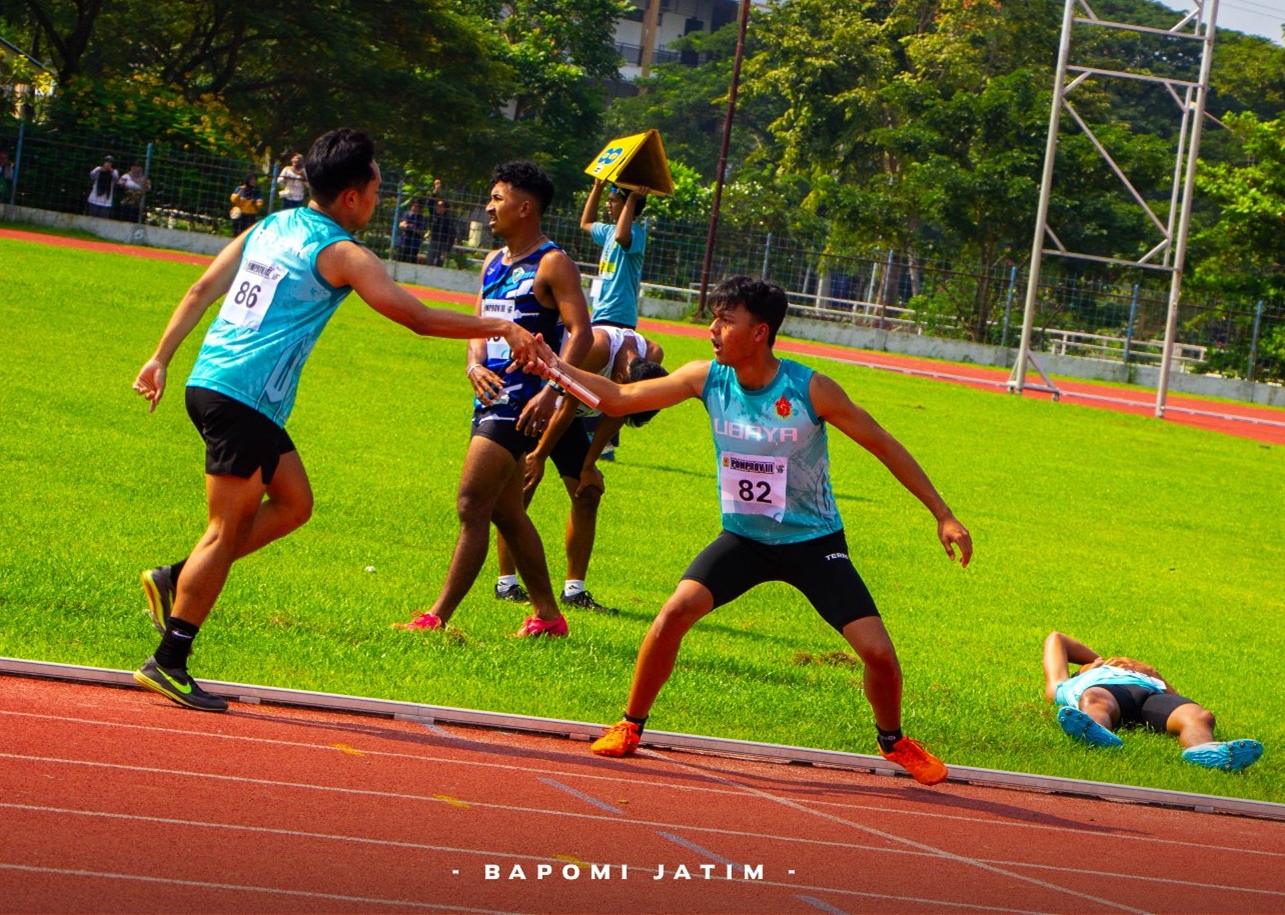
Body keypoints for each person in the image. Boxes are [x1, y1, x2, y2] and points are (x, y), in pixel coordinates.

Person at [130, 128, 540, 712]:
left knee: (295, 503)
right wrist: (499, 326)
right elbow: (416, 317)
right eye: (376, 189)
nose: (378, 200)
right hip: (241, 396)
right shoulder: (343, 253)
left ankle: (177, 577)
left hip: (219, 387)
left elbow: (203, 287)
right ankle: (169, 659)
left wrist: (161, 357)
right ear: (351, 195)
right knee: (223, 533)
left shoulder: (271, 224)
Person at [524, 275, 972, 785]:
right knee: (673, 612)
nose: (712, 330)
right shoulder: (707, 378)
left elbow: (884, 445)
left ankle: (893, 741)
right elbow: (619, 398)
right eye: (713, 318)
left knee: (878, 653)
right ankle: (630, 724)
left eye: (725, 321)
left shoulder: (810, 389)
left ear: (759, 333)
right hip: (744, 541)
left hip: (812, 544)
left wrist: (943, 514)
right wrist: (556, 368)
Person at [399, 160, 592, 637]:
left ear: (525, 207)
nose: (489, 207)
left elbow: (581, 333)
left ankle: (436, 616)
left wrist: (553, 388)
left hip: (523, 402)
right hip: (489, 395)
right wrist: (473, 364)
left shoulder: (553, 263)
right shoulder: (492, 262)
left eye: (498, 198)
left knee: (471, 504)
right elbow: (478, 325)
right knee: (506, 511)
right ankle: (549, 617)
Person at [494, 324, 667, 613]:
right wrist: (538, 456)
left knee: (587, 494)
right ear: (622, 377)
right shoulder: (597, 348)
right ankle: (506, 584)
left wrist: (589, 465)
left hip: (569, 416)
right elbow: (566, 406)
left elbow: (618, 411)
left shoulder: (653, 354)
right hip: (538, 403)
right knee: (522, 488)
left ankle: (574, 592)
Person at [1042, 631, 1263, 772]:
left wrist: (1155, 675)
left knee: (1199, 715)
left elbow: (1175, 698)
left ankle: (1204, 751)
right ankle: (1097, 732)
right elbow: (1057, 639)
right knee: (1095, 699)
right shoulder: (1068, 684)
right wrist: (1095, 661)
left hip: (1150, 694)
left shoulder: (1147, 676)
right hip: (1105, 692)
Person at [581, 179, 649, 328]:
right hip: (600, 313)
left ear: (626, 206)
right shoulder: (608, 231)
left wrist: (631, 199)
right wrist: (597, 187)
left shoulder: (636, 233)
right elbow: (586, 223)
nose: (608, 204)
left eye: (613, 201)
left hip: (619, 317)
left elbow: (621, 237)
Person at [426, 198, 461, 267]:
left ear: (445, 208)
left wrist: (447, 250)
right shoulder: (434, 215)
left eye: (440, 206)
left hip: (443, 244)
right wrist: (435, 191)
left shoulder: (448, 220)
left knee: (439, 263)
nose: (438, 207)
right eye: (437, 205)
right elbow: (429, 203)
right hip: (433, 242)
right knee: (429, 261)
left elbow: (452, 236)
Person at [395, 198, 427, 263]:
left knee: (411, 261)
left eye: (417, 207)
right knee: (400, 260)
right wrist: (412, 227)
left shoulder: (422, 218)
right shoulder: (407, 214)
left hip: (414, 244)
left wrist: (410, 227)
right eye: (413, 206)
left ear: (420, 208)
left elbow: (420, 232)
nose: (414, 208)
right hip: (404, 241)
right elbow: (402, 225)